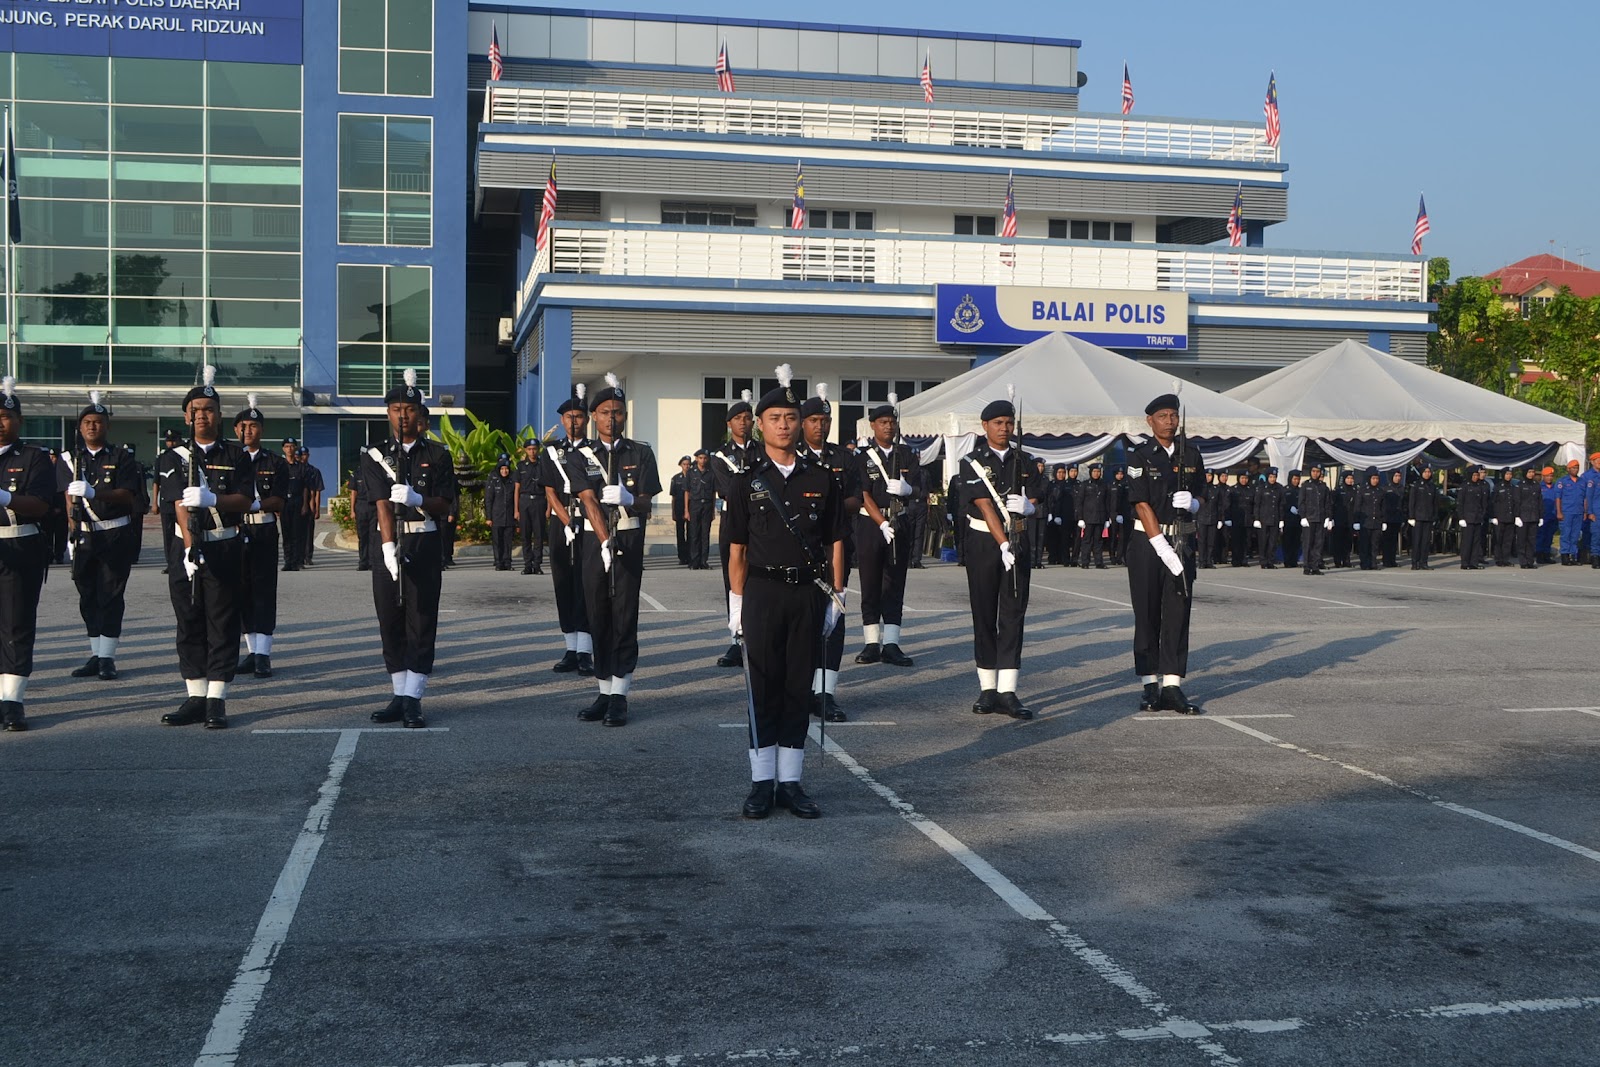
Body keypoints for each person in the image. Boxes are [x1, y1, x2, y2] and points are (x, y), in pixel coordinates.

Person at [728, 366, 846, 819]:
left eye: (790, 418)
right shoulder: (746, 481)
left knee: (799, 686)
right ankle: (761, 784)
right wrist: (736, 604)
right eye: (774, 417)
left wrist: (837, 597)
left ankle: (791, 782)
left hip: (806, 596)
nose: (783, 424)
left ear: (800, 424)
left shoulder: (822, 478)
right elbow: (736, 549)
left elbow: (837, 540)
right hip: (761, 592)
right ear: (760, 424)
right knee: (763, 687)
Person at [160, 366, 255, 730]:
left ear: (219, 415)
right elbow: (179, 506)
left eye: (209, 409)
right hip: (186, 552)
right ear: (187, 415)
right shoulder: (171, 458)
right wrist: (188, 548)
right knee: (188, 620)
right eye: (196, 409)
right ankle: (195, 694)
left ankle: (217, 698)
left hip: (225, 547)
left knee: (222, 621)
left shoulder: (237, 456)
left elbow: (245, 500)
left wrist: (214, 497)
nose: (202, 414)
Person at [361, 370, 457, 728]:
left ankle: (414, 697)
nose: (402, 415)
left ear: (421, 415)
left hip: (424, 540)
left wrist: (419, 498)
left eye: (410, 409)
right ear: (388, 414)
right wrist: (387, 547)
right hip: (388, 541)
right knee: (390, 619)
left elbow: (446, 505)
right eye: (396, 408)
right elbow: (381, 504)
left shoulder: (439, 454)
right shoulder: (374, 455)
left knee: (421, 618)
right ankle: (399, 693)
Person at [565, 373, 661, 727]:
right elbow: (588, 500)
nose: (612, 418)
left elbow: (648, 504)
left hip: (630, 540)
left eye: (618, 412)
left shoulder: (641, 452)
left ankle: (620, 694)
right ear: (594, 417)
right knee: (597, 615)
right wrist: (604, 540)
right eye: (605, 412)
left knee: (623, 616)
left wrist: (629, 498)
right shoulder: (580, 456)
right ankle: (604, 690)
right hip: (595, 542)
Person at [959, 398, 1043, 719]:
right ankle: (987, 688)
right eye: (998, 423)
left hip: (1018, 539)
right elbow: (983, 505)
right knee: (984, 612)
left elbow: (1036, 493)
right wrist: (1002, 543)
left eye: (1008, 423)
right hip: (984, 541)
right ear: (985, 427)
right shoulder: (972, 461)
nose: (1004, 428)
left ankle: (1008, 690)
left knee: (1013, 613)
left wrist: (1029, 506)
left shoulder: (1024, 459)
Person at [1126, 393, 1205, 715]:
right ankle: (1149, 684)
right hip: (1148, 544)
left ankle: (1172, 684)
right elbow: (1141, 502)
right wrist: (1159, 544)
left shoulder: (1192, 454)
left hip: (1182, 542)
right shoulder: (1139, 455)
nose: (1169, 421)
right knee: (1147, 614)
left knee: (1177, 613)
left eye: (1173, 415)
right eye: (1163, 416)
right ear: (1150, 421)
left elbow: (1202, 494)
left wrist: (1194, 504)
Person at [63, 390, 142, 682]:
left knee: (110, 596)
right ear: (79, 427)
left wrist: (95, 492)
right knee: (87, 596)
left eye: (98, 422)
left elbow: (127, 495)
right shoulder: (69, 459)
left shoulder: (121, 457)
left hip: (113, 535)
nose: (92, 426)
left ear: (107, 426)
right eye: (87, 422)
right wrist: (70, 531)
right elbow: (66, 498)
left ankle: (107, 657)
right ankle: (95, 654)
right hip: (83, 537)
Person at [799, 384, 858, 722]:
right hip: (799, 549)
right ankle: (800, 688)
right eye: (815, 420)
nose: (821, 426)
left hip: (835, 547)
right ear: (803, 423)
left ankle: (825, 692)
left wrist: (829, 507)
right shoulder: (793, 456)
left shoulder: (844, 458)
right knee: (801, 619)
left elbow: (857, 497)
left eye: (826, 420)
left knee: (833, 620)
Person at [0, 377, 57, 731]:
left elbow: (40, 505)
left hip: (18, 546)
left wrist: (6, 498)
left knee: (16, 626)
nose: (0, 422)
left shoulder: (34, 457)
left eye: (6, 416)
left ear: (19, 420)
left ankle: (12, 701)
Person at [852, 394, 921, 667]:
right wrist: (880, 521)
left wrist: (907, 490)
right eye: (883, 422)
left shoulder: (907, 455)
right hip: (871, 524)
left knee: (895, 582)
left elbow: (919, 489)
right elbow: (863, 494)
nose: (888, 427)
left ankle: (891, 643)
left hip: (899, 521)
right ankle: (871, 642)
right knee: (870, 582)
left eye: (892, 422)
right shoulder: (863, 457)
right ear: (872, 426)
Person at [539, 387, 595, 674]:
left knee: (586, 583)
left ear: (587, 420)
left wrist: (582, 520)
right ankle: (570, 648)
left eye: (579, 417)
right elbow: (550, 491)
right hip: (563, 524)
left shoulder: (595, 450)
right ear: (562, 420)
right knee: (563, 583)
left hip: (589, 522)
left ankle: (586, 650)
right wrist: (566, 522)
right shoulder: (551, 452)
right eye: (569, 417)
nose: (574, 422)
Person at [234, 395, 288, 679]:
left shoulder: (275, 462)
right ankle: (251, 650)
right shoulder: (229, 458)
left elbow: (279, 500)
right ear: (235, 430)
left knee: (264, 591)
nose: (248, 431)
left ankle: (264, 654)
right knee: (241, 590)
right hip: (235, 528)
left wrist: (254, 504)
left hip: (263, 528)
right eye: (243, 426)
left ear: (261, 430)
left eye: (253, 426)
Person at [713, 392, 760, 668]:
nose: (743, 422)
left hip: (762, 522)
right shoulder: (720, 457)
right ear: (729, 424)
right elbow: (727, 490)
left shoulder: (762, 451)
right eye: (738, 419)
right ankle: (736, 640)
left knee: (759, 581)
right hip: (734, 522)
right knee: (733, 583)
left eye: (747, 418)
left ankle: (757, 638)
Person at [154, 429, 183, 574]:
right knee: (168, 534)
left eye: (174, 440)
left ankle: (180, 562)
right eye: (169, 440)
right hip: (166, 502)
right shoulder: (162, 458)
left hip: (181, 503)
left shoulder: (184, 456)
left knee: (182, 533)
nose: (171, 443)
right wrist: (155, 502)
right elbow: (156, 482)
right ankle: (170, 563)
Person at [515, 438, 545, 575]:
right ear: (525, 450)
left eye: (534, 449)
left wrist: (549, 508)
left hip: (539, 501)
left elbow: (549, 488)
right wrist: (516, 509)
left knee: (538, 535)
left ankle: (537, 565)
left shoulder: (543, 465)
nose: (532, 452)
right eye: (529, 449)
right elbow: (517, 489)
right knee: (525, 535)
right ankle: (527, 565)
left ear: (538, 450)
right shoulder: (521, 466)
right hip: (525, 501)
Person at [278, 437, 307, 571]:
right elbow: (275, 486)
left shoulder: (301, 467)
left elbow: (305, 487)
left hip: (297, 501)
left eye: (292, 446)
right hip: (284, 502)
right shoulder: (279, 466)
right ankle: (288, 561)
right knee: (286, 533)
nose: (289, 449)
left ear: (295, 448)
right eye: (287, 446)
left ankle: (296, 561)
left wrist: (305, 504)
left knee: (297, 533)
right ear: (283, 449)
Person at [1298, 463, 1332, 575]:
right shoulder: (1305, 485)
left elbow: (1327, 504)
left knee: (1318, 544)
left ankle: (1315, 566)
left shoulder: (1324, 487)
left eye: (1317, 471)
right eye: (1313, 471)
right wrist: (1303, 517)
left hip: (1320, 518)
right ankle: (1307, 567)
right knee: (1308, 543)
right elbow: (1301, 503)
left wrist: (1328, 517)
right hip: (1309, 518)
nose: (1315, 473)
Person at [485, 452, 516, 571]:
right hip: (496, 515)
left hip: (509, 515)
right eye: (502, 469)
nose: (504, 471)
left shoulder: (512, 480)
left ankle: (507, 562)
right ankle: (498, 562)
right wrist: (489, 517)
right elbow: (489, 499)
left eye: (506, 468)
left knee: (508, 541)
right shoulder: (493, 480)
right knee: (497, 541)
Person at [1406, 464, 1440, 569]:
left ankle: (1423, 562)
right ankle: (1414, 562)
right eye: (1425, 472)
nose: (1427, 474)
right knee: (1417, 541)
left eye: (1429, 472)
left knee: (1426, 541)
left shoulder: (1432, 486)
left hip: (1428, 517)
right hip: (1418, 517)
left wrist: (1435, 516)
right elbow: (1412, 502)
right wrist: (1411, 517)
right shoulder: (1416, 485)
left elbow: (1435, 503)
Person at [1456, 465, 1490, 569]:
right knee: (1467, 542)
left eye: (1477, 475)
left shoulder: (1480, 487)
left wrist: (1482, 514)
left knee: (1476, 542)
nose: (1476, 477)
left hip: (1477, 517)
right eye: (1474, 475)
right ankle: (1465, 562)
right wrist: (1461, 517)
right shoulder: (1464, 486)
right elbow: (1460, 503)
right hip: (1467, 518)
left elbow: (1483, 503)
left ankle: (1474, 562)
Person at [1077, 462, 1110, 568]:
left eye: (1098, 472)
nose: (1096, 474)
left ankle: (1099, 562)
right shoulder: (1085, 485)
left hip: (1100, 517)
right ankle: (1085, 562)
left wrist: (1107, 518)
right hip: (1088, 517)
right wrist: (1080, 518)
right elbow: (1080, 502)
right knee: (1087, 540)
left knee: (1098, 541)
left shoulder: (1104, 485)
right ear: (1090, 472)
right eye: (1094, 471)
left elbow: (1107, 502)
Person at [687, 449, 715, 569]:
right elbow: (686, 492)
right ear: (696, 459)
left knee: (705, 534)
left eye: (705, 458)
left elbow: (714, 492)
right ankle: (694, 561)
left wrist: (713, 510)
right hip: (694, 505)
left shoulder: (711, 473)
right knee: (694, 534)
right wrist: (686, 510)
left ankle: (704, 561)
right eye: (700, 458)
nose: (703, 460)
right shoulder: (691, 472)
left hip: (707, 506)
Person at [1554, 459, 1586, 565]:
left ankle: (1573, 556)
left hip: (1578, 512)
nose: (1575, 470)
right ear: (1568, 469)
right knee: (1566, 534)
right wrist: (1559, 512)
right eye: (1573, 468)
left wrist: (1585, 512)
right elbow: (1558, 498)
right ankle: (1565, 556)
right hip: (1566, 512)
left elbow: (1585, 498)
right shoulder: (1562, 481)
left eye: (1577, 468)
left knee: (1575, 535)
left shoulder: (1582, 481)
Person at [1253, 467, 1285, 568]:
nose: (1272, 479)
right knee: (1263, 541)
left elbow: (1281, 505)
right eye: (1271, 477)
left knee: (1273, 541)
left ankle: (1270, 561)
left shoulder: (1279, 488)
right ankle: (1263, 561)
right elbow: (1257, 504)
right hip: (1263, 519)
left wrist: (1281, 519)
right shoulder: (1261, 488)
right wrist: (1257, 518)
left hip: (1275, 518)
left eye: (1274, 477)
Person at [1352, 467, 1383, 571]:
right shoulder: (1363, 490)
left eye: (1377, 478)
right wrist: (1356, 521)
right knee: (1365, 544)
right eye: (1373, 478)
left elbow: (1383, 507)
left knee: (1375, 544)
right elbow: (1358, 506)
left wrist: (1383, 520)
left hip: (1377, 521)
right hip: (1365, 522)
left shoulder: (1380, 491)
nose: (1375, 480)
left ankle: (1373, 563)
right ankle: (1364, 563)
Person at [1516, 466, 1544, 568]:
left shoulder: (1536, 485)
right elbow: (1517, 501)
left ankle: (1530, 561)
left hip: (1534, 516)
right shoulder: (1520, 485)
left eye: (1532, 472)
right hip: (1523, 516)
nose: (1531, 474)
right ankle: (1523, 561)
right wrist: (1517, 516)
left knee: (1532, 540)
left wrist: (1541, 516)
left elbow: (1539, 501)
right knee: (1522, 540)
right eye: (1529, 472)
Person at [1491, 467, 1518, 567]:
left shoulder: (1513, 487)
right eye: (1507, 474)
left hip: (1510, 517)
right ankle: (1498, 559)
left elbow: (1515, 502)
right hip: (1500, 517)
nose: (1509, 476)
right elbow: (1493, 502)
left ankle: (1505, 559)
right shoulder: (1498, 487)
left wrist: (1516, 515)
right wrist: (1493, 516)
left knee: (1508, 539)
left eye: (1510, 474)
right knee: (1499, 539)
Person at [1331, 471, 1359, 568]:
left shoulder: (1355, 490)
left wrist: (1356, 520)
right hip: (1339, 519)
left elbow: (1357, 506)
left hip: (1350, 519)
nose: (1350, 480)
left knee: (1348, 541)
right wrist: (1331, 519)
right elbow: (1332, 505)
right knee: (1338, 541)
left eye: (1351, 478)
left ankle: (1346, 560)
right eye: (1348, 478)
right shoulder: (1338, 490)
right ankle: (1337, 561)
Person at [301, 447, 324, 566]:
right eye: (301, 454)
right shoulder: (294, 469)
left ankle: (308, 556)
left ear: (308, 456)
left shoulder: (314, 471)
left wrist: (317, 509)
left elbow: (317, 491)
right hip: (296, 505)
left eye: (305, 454)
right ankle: (298, 557)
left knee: (309, 533)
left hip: (310, 506)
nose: (303, 457)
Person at [1380, 469, 1405, 568]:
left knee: (1394, 540)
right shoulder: (1385, 488)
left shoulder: (1401, 488)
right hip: (1387, 517)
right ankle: (1386, 560)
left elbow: (1403, 504)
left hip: (1397, 517)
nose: (1398, 478)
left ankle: (1392, 560)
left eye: (1399, 476)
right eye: (1396, 476)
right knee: (1386, 540)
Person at [1195, 470, 1221, 568]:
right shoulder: (1199, 489)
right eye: (1206, 475)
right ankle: (1201, 561)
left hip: (1213, 518)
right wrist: (1195, 519)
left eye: (1210, 475)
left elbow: (1220, 505)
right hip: (1201, 517)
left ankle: (1209, 561)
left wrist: (1220, 519)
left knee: (1211, 541)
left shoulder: (1216, 489)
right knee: (1202, 541)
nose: (1208, 478)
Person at [1225, 470, 1251, 567]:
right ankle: (1235, 560)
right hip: (1236, 520)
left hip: (1247, 520)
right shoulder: (1233, 490)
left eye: (1246, 478)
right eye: (1242, 478)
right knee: (1236, 541)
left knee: (1246, 541)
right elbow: (1227, 505)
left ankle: (1244, 560)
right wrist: (1227, 518)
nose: (1244, 480)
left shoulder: (1250, 490)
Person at [670, 455, 691, 566]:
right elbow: (673, 497)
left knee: (691, 533)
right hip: (679, 508)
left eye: (688, 464)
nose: (687, 466)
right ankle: (682, 557)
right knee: (680, 533)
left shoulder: (693, 477)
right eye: (684, 464)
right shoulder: (676, 478)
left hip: (691, 508)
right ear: (680, 465)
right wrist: (673, 512)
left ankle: (690, 555)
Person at [352, 470, 375, 572]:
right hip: (361, 506)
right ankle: (363, 562)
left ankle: (371, 562)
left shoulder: (374, 472)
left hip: (373, 507)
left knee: (373, 536)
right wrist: (352, 510)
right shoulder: (357, 473)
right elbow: (353, 493)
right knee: (362, 536)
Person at [1281, 470, 1303, 568]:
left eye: (1298, 479)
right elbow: (1281, 504)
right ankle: (1287, 560)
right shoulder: (1285, 490)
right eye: (1294, 479)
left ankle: (1294, 560)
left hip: (1298, 520)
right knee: (1287, 541)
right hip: (1288, 520)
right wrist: (1289, 507)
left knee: (1296, 541)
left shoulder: (1300, 490)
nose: (1296, 481)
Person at [1109, 466, 1131, 564]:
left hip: (1124, 515)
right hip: (1113, 514)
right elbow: (1108, 501)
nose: (1120, 476)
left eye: (1121, 474)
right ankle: (1112, 556)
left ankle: (1121, 556)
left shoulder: (1126, 485)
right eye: (1118, 474)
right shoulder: (1110, 485)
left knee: (1123, 537)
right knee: (1113, 536)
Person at [1537, 466, 1558, 563]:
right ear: (1543, 476)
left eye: (1551, 476)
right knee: (1541, 536)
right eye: (1547, 476)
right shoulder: (1539, 487)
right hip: (1543, 515)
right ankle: (1539, 555)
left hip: (1553, 515)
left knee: (1549, 536)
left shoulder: (1556, 487)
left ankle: (1546, 554)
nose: (1549, 478)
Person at [1585, 452, 1600, 568]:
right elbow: (1587, 496)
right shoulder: (1589, 476)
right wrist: (1589, 512)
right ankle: (1594, 557)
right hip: (1595, 509)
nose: (1599, 462)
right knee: (1596, 534)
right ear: (1592, 462)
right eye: (1597, 460)